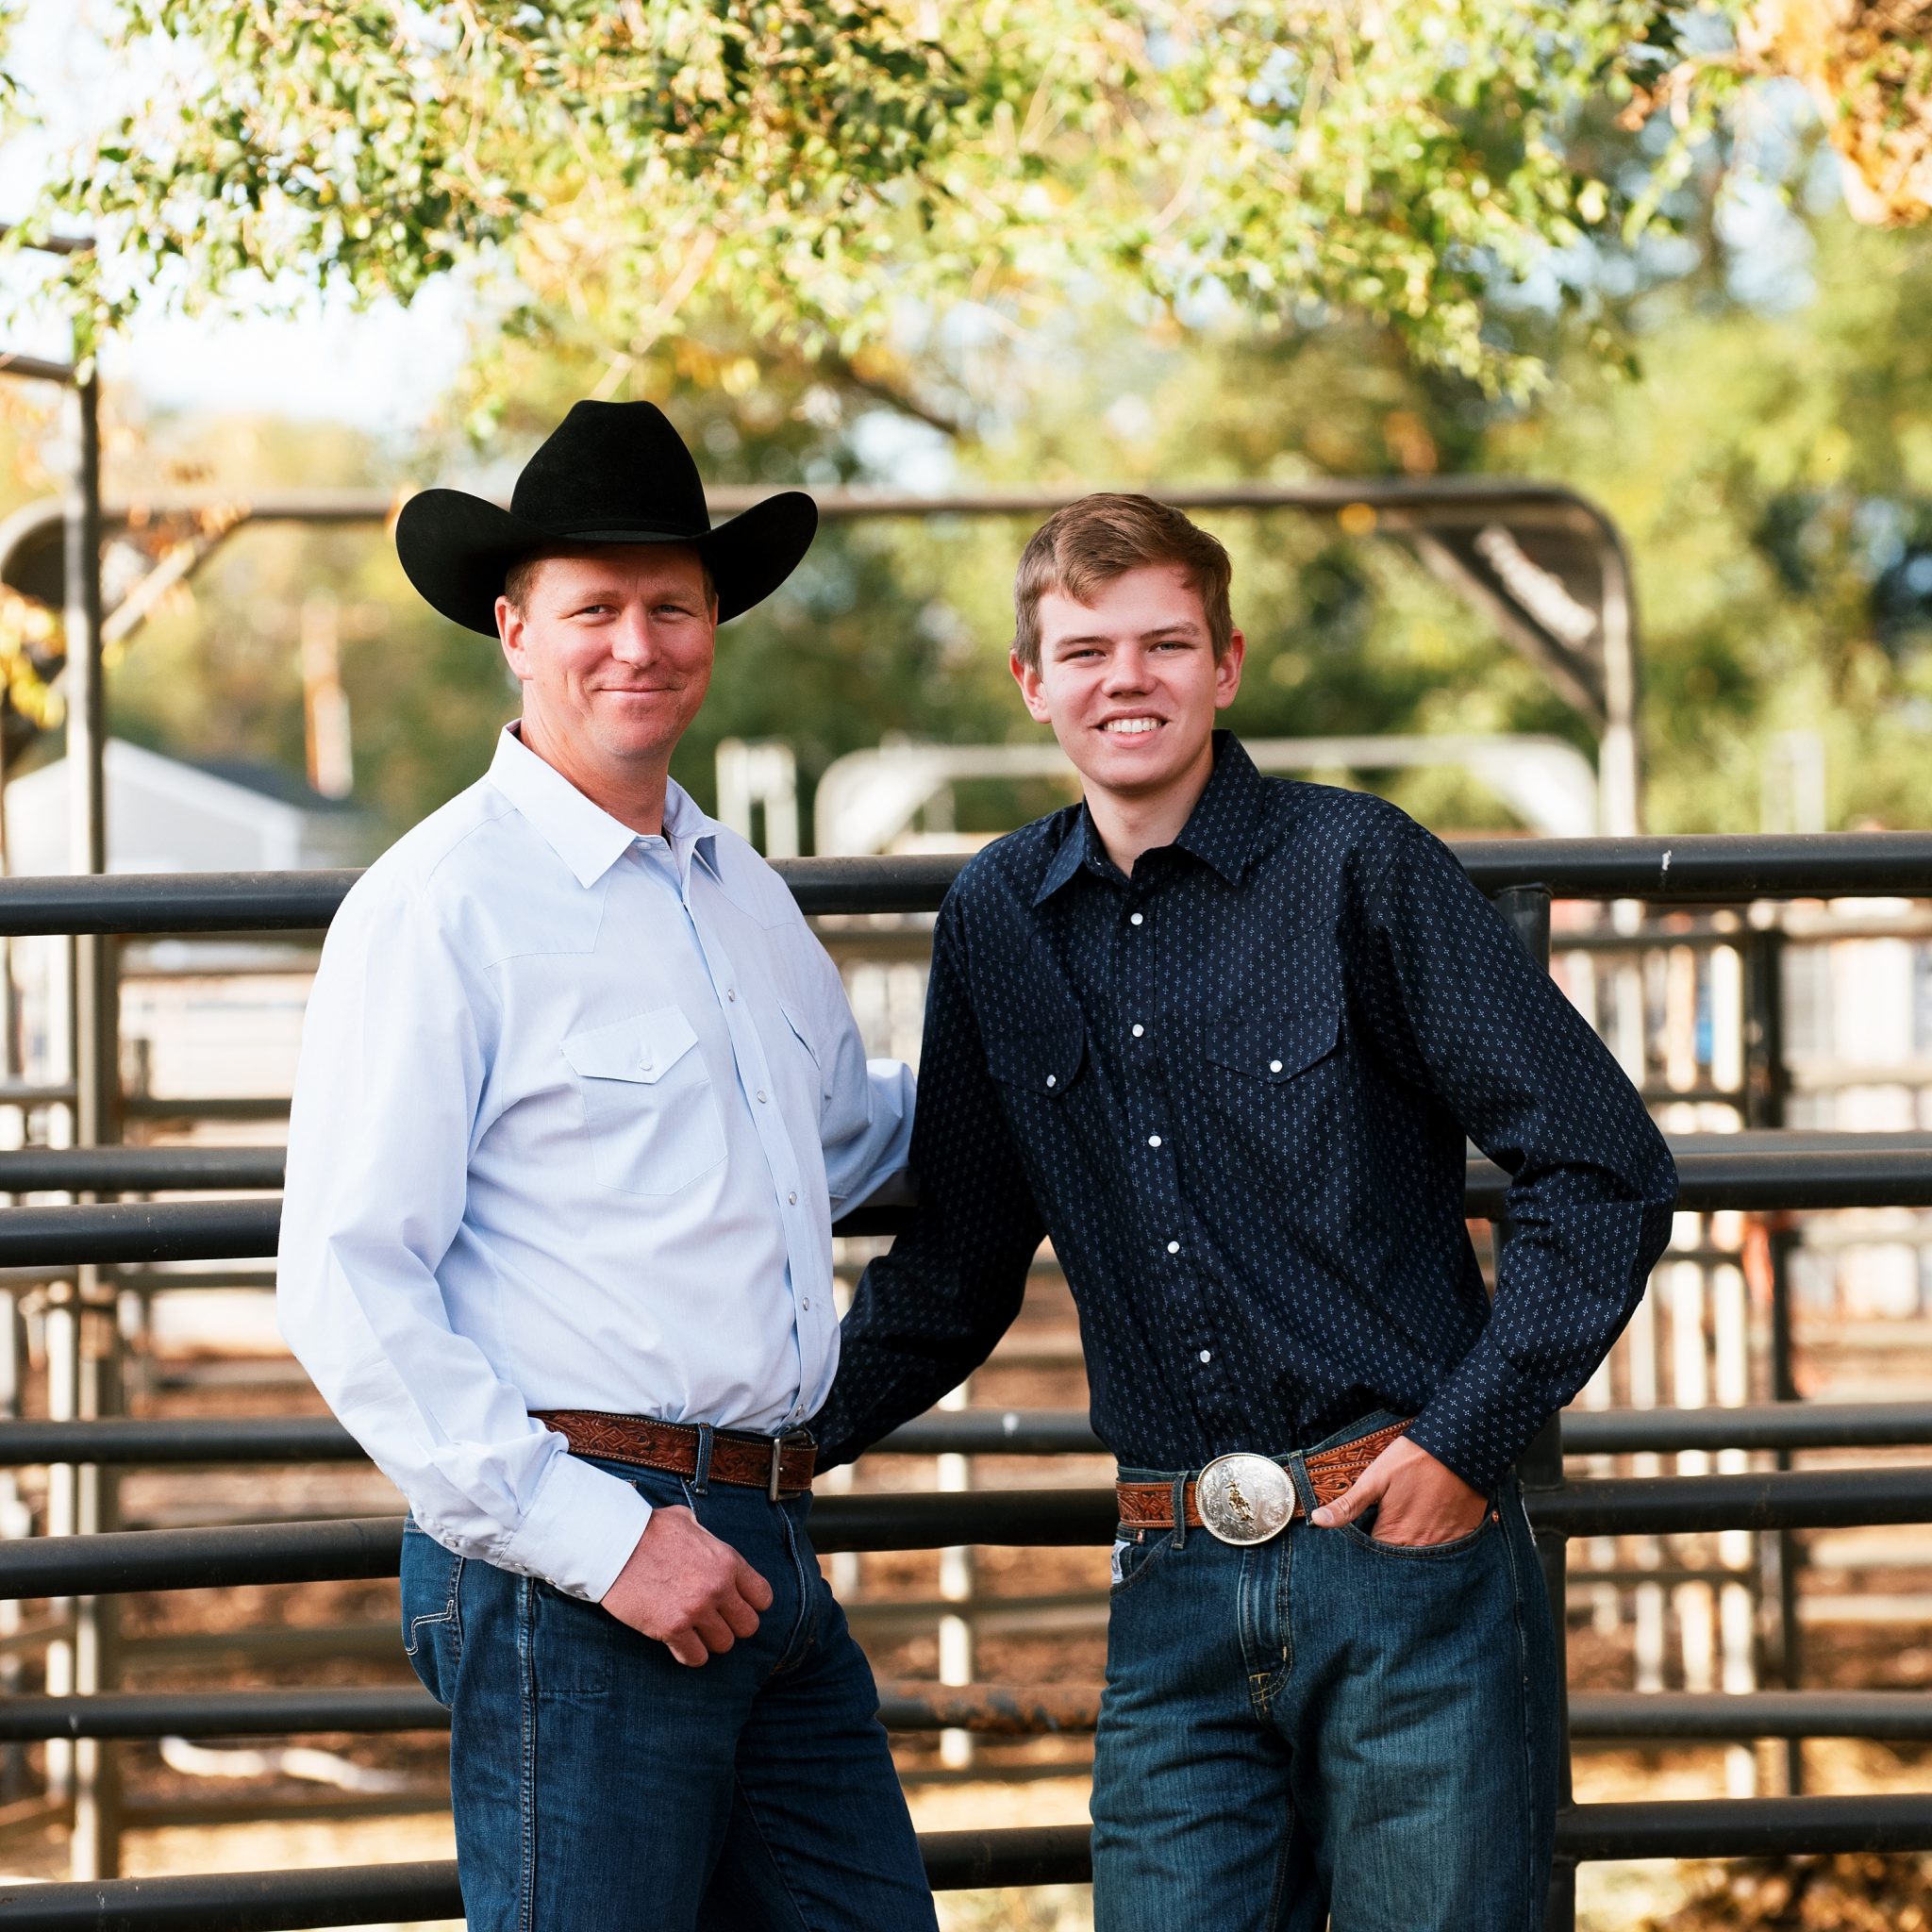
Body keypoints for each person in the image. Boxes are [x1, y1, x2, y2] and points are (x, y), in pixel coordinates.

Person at [813, 493, 1678, 1932]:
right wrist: (746, 1452)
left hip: (1404, 1555)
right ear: (1033, 685)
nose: (1126, 679)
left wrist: (1465, 1444)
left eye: (1164, 643)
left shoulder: (1358, 866)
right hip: (1171, 1581)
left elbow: (1601, 1162)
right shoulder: (996, 921)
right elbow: (956, 1266)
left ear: (1227, 663)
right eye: (1085, 650)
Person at [277, 400, 937, 1932]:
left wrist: (1091, 1056)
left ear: (715, 625)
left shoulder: (745, 894)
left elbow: (850, 1142)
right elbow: (348, 1276)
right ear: (514, 628)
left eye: (672, 605)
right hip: (578, 1555)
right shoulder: (442, 905)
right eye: (594, 608)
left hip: (766, 1537)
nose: (636, 643)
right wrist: (603, 1541)